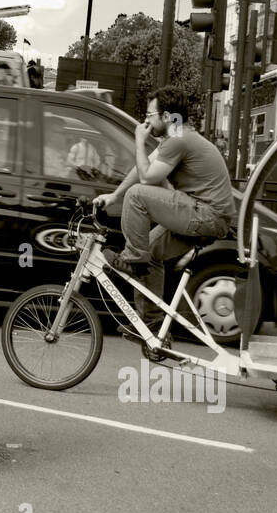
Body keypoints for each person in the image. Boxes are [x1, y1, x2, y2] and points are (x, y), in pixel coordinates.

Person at [92, 86, 236, 352]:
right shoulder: (178, 137)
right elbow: (142, 167)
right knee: (152, 252)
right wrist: (113, 196)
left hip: (206, 214)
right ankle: (154, 329)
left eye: (149, 115)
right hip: (205, 214)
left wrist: (137, 139)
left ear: (167, 116)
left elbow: (147, 179)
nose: (146, 122)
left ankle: (132, 259)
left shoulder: (179, 139)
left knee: (138, 196)